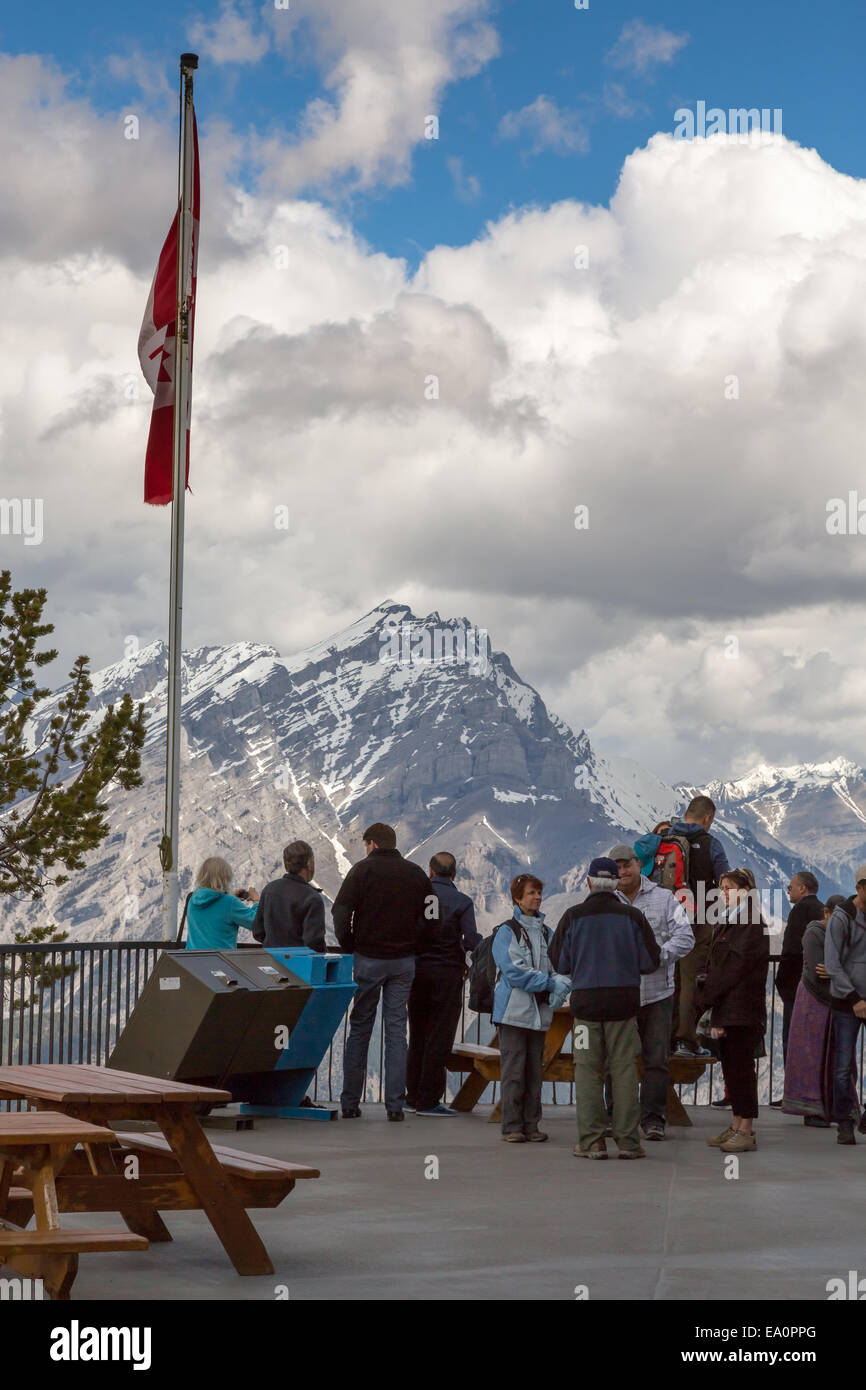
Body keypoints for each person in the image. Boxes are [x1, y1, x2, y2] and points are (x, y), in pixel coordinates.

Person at [550, 857, 660, 1160]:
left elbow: (559, 962)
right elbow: (651, 962)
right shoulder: (632, 916)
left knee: (587, 1070)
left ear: (587, 882)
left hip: (585, 1007)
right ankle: (627, 1142)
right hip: (623, 1005)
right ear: (616, 884)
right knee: (624, 1070)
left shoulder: (573, 917)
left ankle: (592, 1142)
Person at [333, 823, 431, 1121]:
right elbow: (431, 914)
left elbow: (340, 912)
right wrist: (415, 942)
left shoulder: (361, 871)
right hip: (403, 961)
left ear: (372, 844)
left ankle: (350, 1102)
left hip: (368, 959)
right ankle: (395, 1106)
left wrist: (350, 944)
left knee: (361, 1026)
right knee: (397, 1030)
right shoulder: (415, 874)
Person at [608, 844, 695, 1141]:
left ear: (638, 864)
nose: (622, 872)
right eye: (617, 867)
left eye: (626, 865)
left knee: (656, 1060)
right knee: (616, 1059)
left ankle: (654, 1119)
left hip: (658, 994)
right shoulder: (607, 902)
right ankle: (614, 1116)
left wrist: (659, 956)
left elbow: (686, 936)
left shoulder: (664, 898)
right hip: (620, 994)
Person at [491, 874, 570, 1143]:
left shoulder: (546, 933)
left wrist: (558, 981)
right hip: (513, 1013)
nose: (537, 897)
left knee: (534, 1071)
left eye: (538, 892)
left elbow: (557, 964)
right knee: (514, 1071)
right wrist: (549, 983)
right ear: (517, 897)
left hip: (538, 1013)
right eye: (531, 893)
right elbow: (514, 972)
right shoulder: (507, 932)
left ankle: (531, 1124)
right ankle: (512, 1126)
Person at [697, 868, 770, 1154]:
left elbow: (735, 965)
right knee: (731, 1066)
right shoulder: (732, 921)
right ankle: (736, 1123)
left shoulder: (749, 923)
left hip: (741, 1007)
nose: (723, 893)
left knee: (741, 1068)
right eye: (722, 888)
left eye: (729, 888)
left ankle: (746, 1129)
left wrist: (710, 993)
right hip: (729, 1005)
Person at [406, 852, 481, 1117]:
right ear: (454, 874)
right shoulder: (462, 902)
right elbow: (471, 940)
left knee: (417, 1033)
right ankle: (428, 1100)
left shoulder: (415, 898)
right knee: (440, 1035)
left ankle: (412, 1095)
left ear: (430, 871)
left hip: (416, 973)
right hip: (448, 975)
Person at [782, 896, 860, 1129]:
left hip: (835, 999)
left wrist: (837, 970)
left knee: (836, 1058)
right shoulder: (814, 933)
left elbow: (842, 964)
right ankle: (813, 1107)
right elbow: (818, 972)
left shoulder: (843, 932)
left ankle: (839, 1108)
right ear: (826, 914)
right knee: (812, 1054)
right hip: (816, 1000)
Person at [667, 796, 730, 1059]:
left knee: (668, 980)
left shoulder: (664, 839)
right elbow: (726, 882)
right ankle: (686, 1039)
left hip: (665, 920)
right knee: (692, 982)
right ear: (707, 818)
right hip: (699, 920)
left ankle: (662, 1037)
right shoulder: (711, 844)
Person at [824, 866, 866, 1145]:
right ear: (861, 887)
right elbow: (832, 963)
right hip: (846, 1002)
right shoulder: (842, 917)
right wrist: (854, 999)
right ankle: (845, 1120)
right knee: (842, 1066)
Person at [775, 871, 823, 1063]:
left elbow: (791, 949)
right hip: (819, 987)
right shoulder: (822, 909)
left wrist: (781, 981)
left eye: (791, 887)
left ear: (802, 888)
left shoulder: (799, 911)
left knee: (792, 1038)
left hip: (795, 985)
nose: (788, 892)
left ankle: (793, 1088)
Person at [252, 840, 326, 952]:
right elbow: (314, 942)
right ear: (309, 864)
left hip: (272, 962)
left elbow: (258, 931)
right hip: (300, 965)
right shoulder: (311, 897)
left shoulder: (269, 890)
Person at [184, 857, 259, 950]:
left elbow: (213, 907)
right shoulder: (230, 903)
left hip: (191, 961)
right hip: (220, 962)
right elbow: (256, 923)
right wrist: (256, 901)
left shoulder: (193, 899)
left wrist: (227, 895)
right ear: (226, 877)